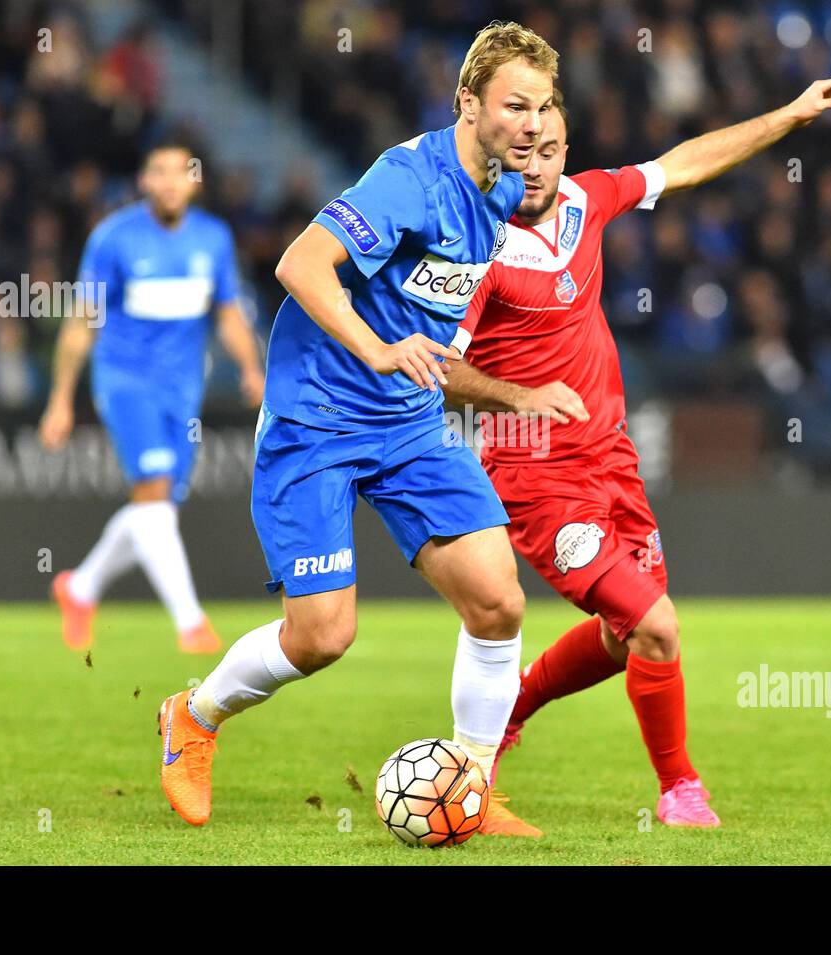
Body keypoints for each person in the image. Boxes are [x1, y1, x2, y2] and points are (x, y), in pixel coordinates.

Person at [157, 22, 558, 834]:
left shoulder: (507, 186)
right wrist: (378, 348)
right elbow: (299, 262)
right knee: (323, 634)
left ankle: (471, 789)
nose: (532, 124)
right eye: (515, 106)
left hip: (408, 421)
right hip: (319, 416)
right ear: (468, 103)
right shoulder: (409, 179)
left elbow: (636, 177)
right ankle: (193, 716)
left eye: (544, 107)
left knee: (498, 601)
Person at [445, 78, 831, 830]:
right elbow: (439, 368)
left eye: (548, 150)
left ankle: (508, 713)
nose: (534, 166)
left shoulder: (588, 199)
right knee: (659, 626)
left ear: (565, 152)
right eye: (520, 152)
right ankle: (680, 788)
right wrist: (518, 399)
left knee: (622, 636)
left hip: (612, 459)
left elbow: (688, 162)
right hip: (534, 474)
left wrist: (789, 114)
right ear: (496, 156)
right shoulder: (475, 250)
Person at [40, 139, 264, 654]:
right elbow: (82, 321)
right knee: (155, 496)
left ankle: (79, 588)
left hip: (182, 390)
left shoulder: (212, 239)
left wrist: (252, 368)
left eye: (179, 171)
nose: (168, 181)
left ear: (194, 181)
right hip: (125, 382)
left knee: (154, 508)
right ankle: (191, 623)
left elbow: (228, 311)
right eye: (157, 171)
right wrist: (60, 399)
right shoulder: (113, 238)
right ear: (144, 181)